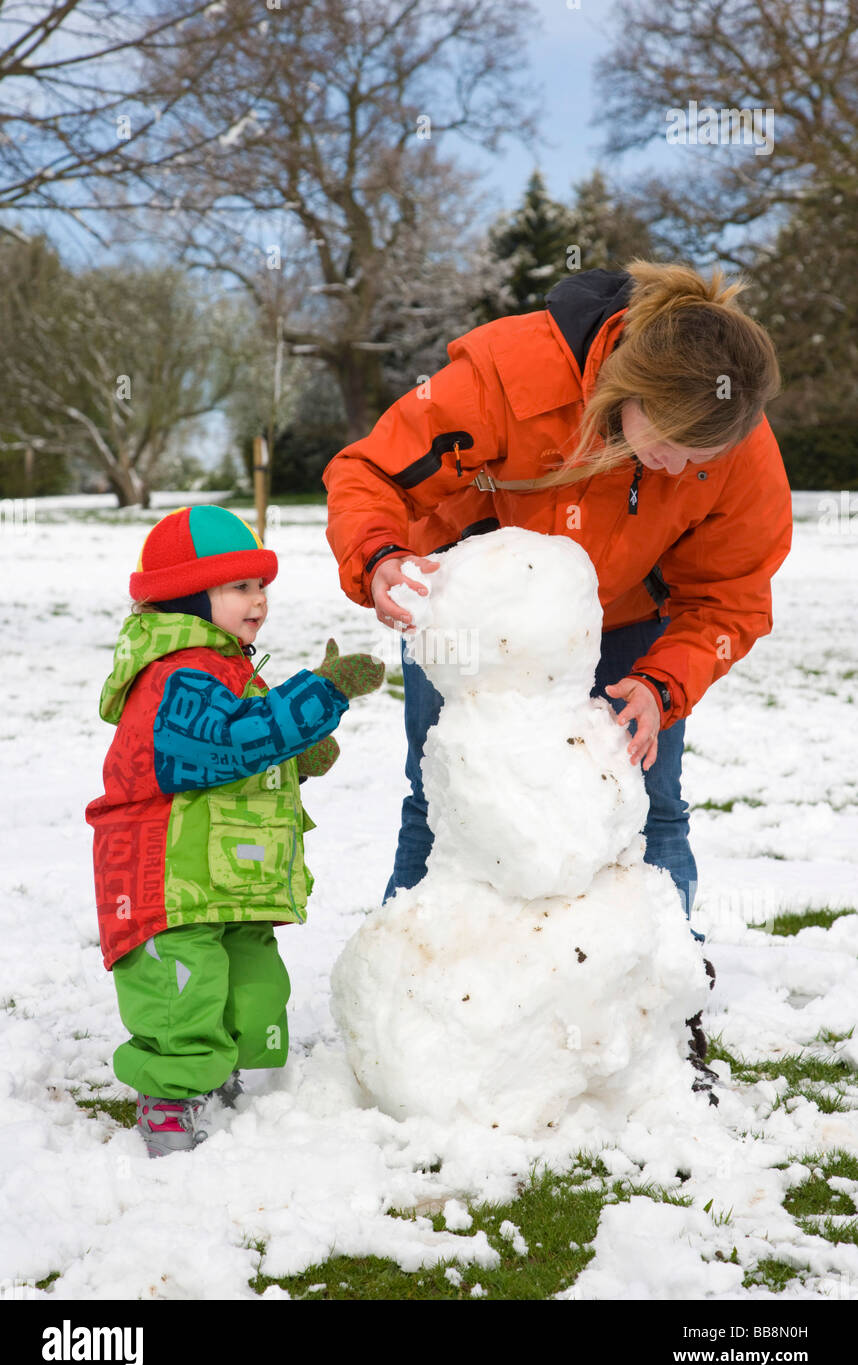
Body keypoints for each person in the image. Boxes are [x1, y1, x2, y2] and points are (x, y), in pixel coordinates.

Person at [322, 260, 793, 1102]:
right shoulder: (508, 377)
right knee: (444, 804)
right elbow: (369, 473)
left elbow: (732, 595)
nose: (687, 468)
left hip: (634, 626)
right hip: (484, 629)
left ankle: (658, 1003)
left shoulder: (733, 441)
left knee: (654, 809)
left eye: (705, 456)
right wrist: (383, 556)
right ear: (629, 389)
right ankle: (407, 1000)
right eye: (673, 445)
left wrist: (661, 686)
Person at [85, 504, 383, 1157]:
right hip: (165, 869)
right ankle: (167, 1098)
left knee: (254, 991)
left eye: (261, 585)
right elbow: (224, 746)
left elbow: (239, 756)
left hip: (221, 870)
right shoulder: (175, 673)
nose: (258, 600)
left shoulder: (227, 667)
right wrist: (317, 697)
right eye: (238, 587)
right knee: (182, 990)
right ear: (190, 598)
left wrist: (293, 760)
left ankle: (215, 1075)